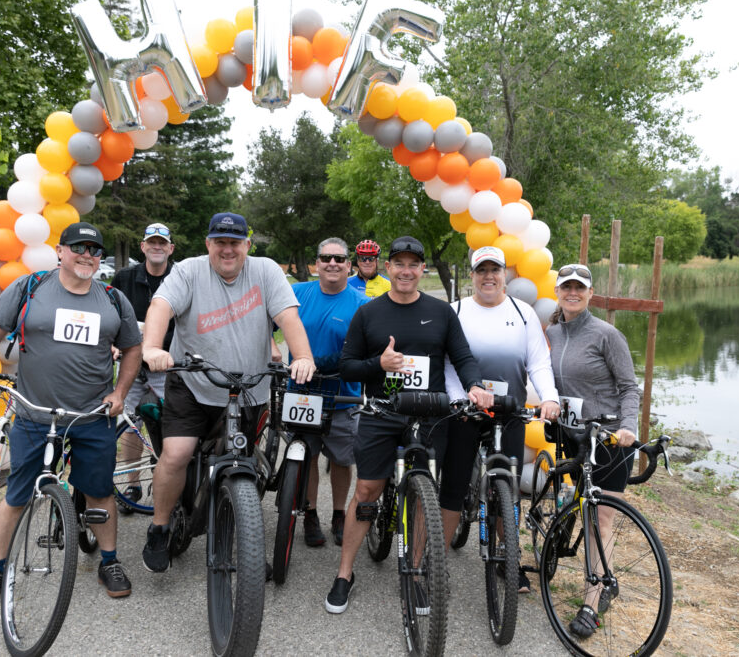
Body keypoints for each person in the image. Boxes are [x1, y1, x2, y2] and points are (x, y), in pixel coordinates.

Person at [0, 222, 142, 609]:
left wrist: (120, 392)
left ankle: (109, 561)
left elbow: (132, 349)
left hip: (92, 416)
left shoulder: (113, 299)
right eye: (78, 247)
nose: (87, 255)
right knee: (17, 495)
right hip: (34, 414)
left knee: (99, 493)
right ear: (60, 251)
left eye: (95, 250)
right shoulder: (31, 288)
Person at [324, 235, 493, 614]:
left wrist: (475, 385)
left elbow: (463, 357)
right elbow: (348, 364)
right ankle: (345, 572)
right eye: (398, 263)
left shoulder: (442, 312)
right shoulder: (368, 313)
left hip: (430, 415)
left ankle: (416, 572)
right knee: (367, 488)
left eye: (412, 264)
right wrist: (377, 366)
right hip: (381, 412)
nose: (405, 270)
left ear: (422, 270)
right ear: (388, 268)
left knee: (424, 495)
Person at [140, 212, 316, 573]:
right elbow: (161, 307)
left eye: (235, 242)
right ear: (208, 244)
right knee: (177, 454)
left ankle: (241, 535)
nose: (227, 249)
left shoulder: (266, 271)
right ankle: (159, 527)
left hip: (247, 387)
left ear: (246, 246)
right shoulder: (189, 270)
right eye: (219, 242)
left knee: (244, 461)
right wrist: (152, 349)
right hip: (192, 381)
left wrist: (304, 357)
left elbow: (288, 318)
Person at [440, 246, 560, 592]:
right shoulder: (457, 311)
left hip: (509, 412)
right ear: (472, 275)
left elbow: (538, 362)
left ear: (505, 275)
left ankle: (509, 559)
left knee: (504, 486)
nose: (488, 276)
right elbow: (448, 363)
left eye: (495, 270)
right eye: (482, 270)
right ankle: (438, 561)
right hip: (466, 411)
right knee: (454, 484)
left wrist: (549, 397)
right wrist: (460, 399)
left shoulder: (523, 313)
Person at [544, 263, 641, 638]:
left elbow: (629, 387)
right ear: (557, 291)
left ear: (589, 293)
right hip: (573, 434)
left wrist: (629, 427)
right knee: (578, 505)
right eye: (566, 287)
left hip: (611, 438)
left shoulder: (606, 334)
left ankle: (591, 600)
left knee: (600, 518)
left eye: (579, 288)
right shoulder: (551, 332)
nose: (572, 293)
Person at [291, 237, 369, 547]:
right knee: (306, 455)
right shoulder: (296, 294)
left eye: (339, 259)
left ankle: (339, 514)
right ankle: (310, 514)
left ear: (349, 265)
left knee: (341, 458)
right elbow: (267, 324)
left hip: (342, 395)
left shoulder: (362, 304)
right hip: (302, 393)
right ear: (316, 264)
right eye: (325, 258)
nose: (332, 263)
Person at [111, 222, 175, 512]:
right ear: (143, 247)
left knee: (173, 425)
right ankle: (132, 484)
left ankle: (168, 481)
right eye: (152, 242)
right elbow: (111, 317)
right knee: (129, 425)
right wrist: (113, 343)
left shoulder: (180, 277)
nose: (157, 247)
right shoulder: (124, 278)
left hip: (169, 366)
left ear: (171, 248)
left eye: (163, 243)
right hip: (132, 363)